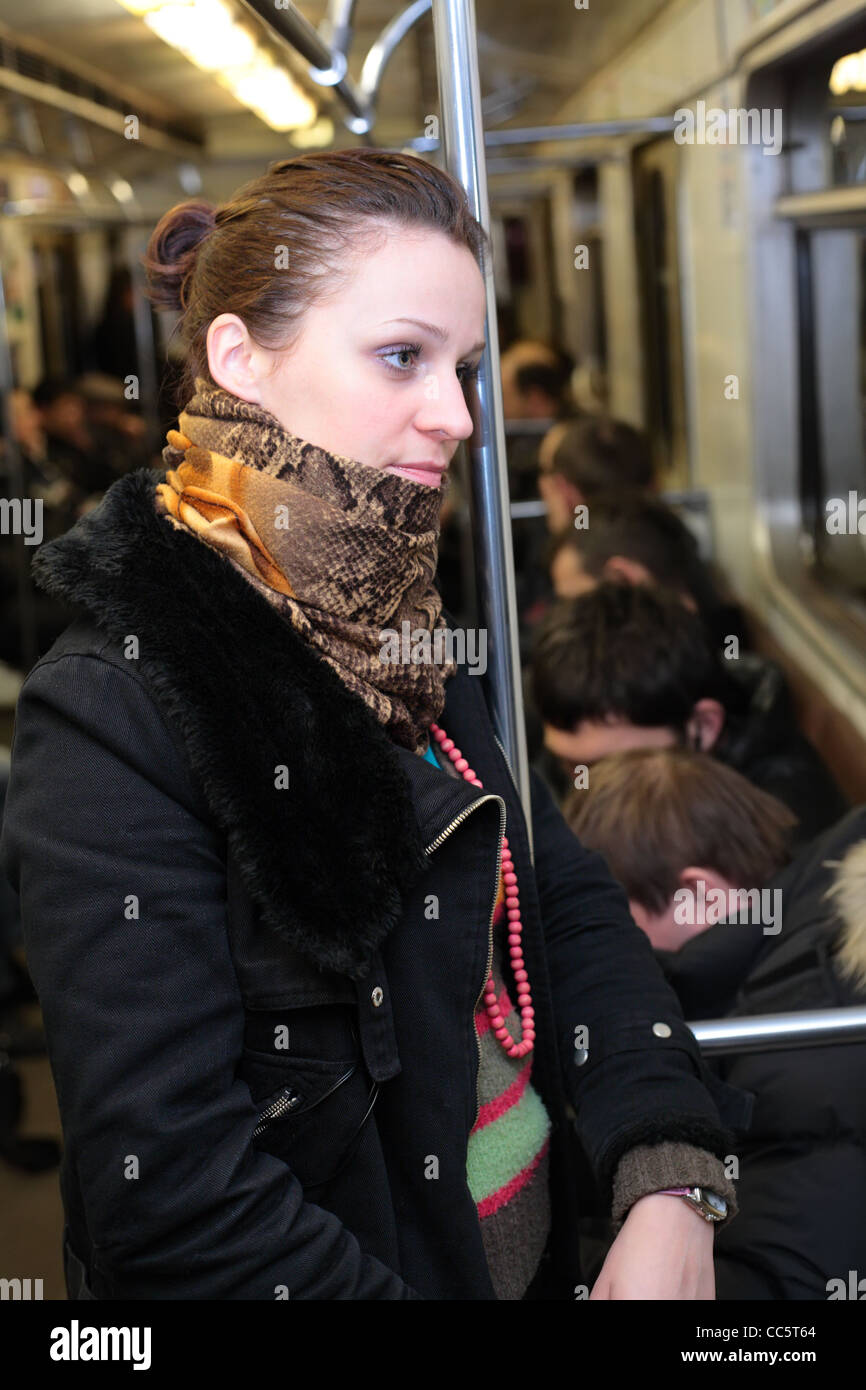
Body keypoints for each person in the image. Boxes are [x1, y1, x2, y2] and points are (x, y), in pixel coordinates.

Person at [0, 149, 748, 1302]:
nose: (453, 416)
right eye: (401, 355)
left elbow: (561, 899)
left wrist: (664, 1172)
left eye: (462, 368)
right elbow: (176, 1201)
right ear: (239, 359)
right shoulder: (113, 710)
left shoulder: (398, 615)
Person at [565, 747, 866, 1299]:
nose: (614, 968)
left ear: (698, 896)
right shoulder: (788, 938)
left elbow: (764, 1312)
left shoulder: (797, 1052)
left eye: (620, 934)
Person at [531, 582, 849, 845]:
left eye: (612, 770)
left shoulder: (782, 832)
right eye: (570, 766)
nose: (586, 791)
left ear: (704, 728)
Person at [537, 418, 655, 535]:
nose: (543, 483)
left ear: (567, 490)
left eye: (549, 472)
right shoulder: (662, 538)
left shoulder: (578, 547)